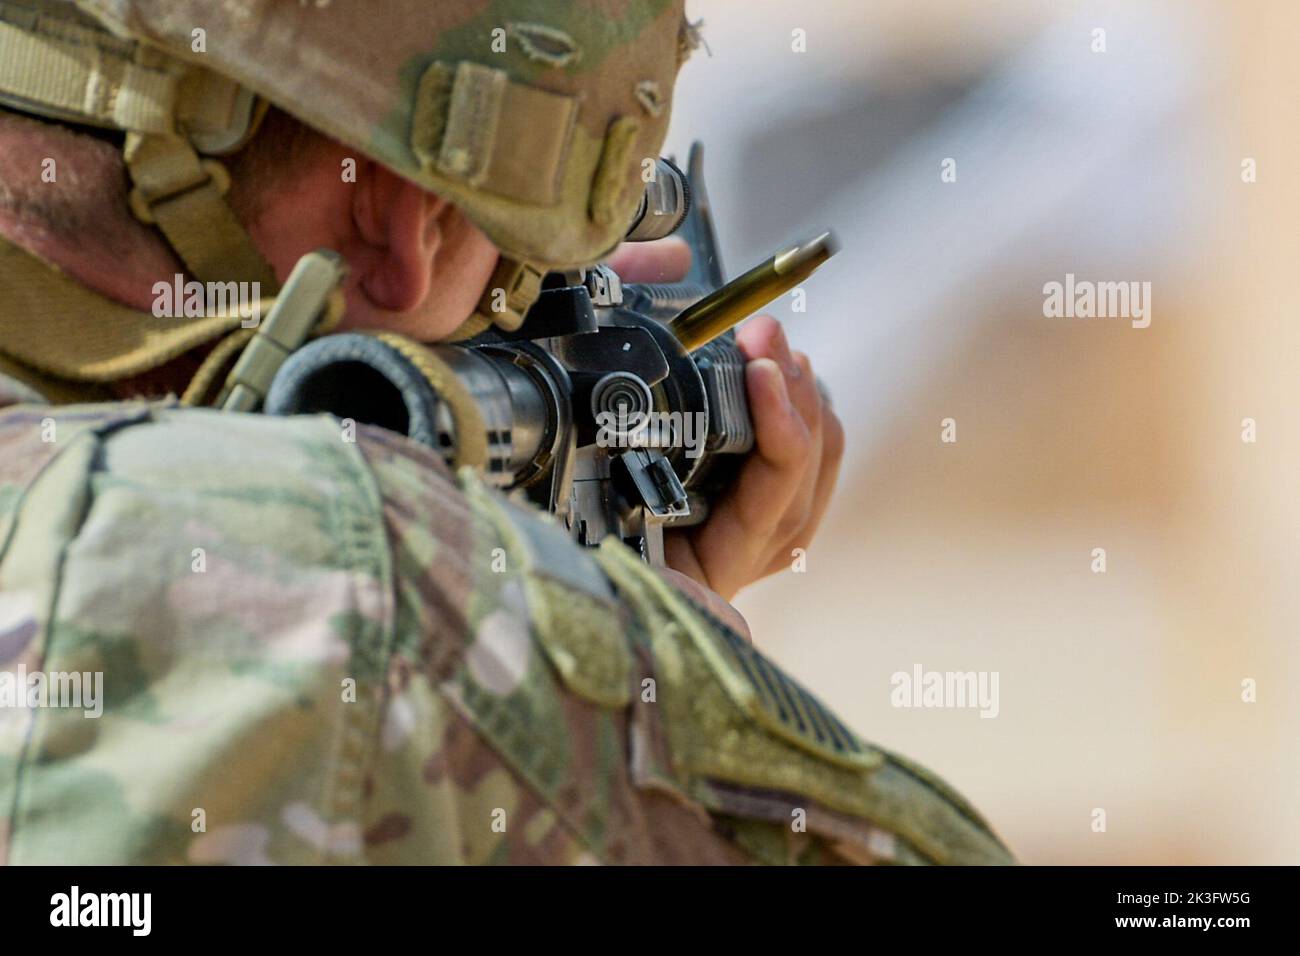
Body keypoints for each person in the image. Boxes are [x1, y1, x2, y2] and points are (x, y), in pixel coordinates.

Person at [0, 0, 1012, 864]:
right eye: (516, 263)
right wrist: (638, 688)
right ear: (410, 223)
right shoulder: (352, 582)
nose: (513, 301)